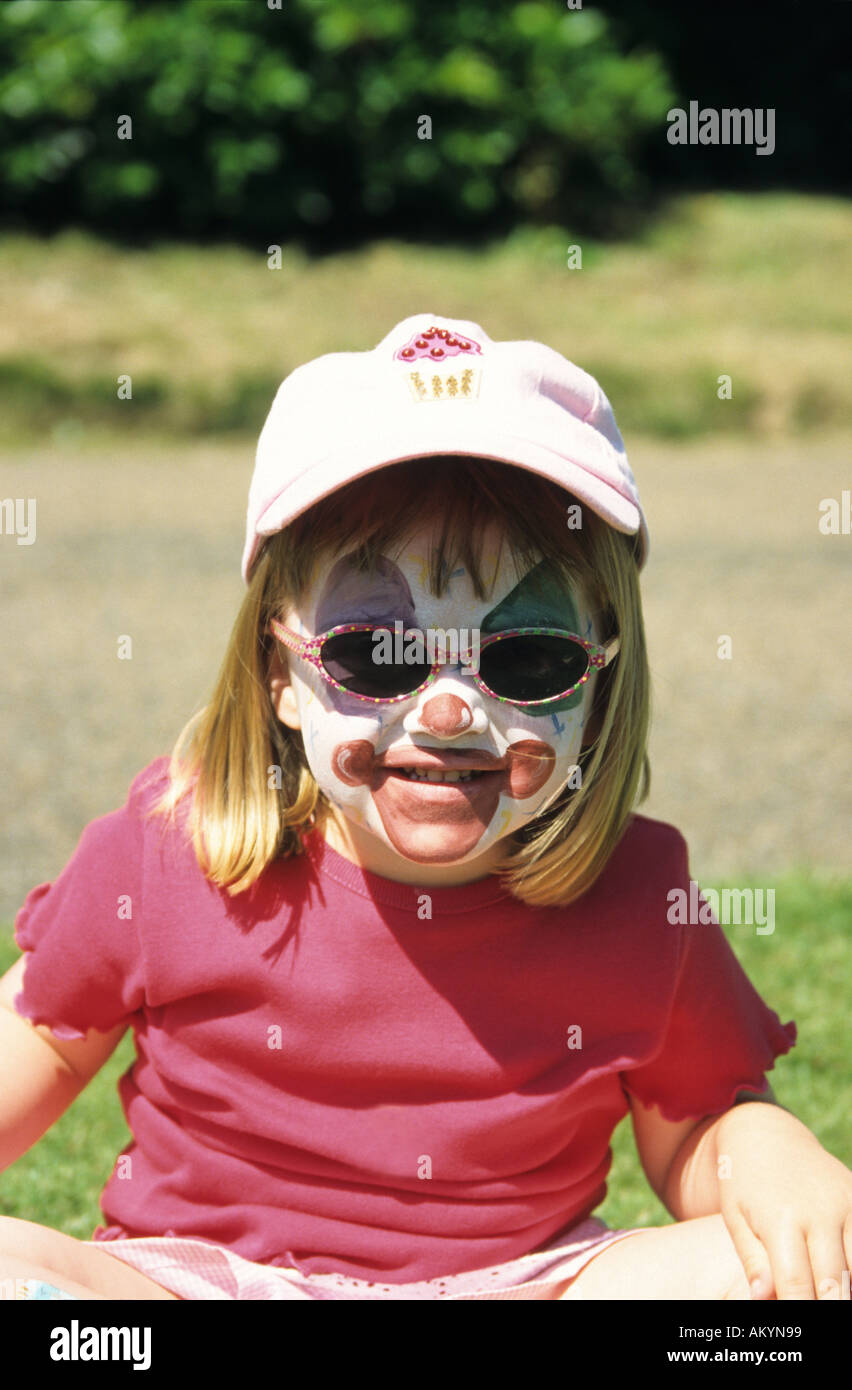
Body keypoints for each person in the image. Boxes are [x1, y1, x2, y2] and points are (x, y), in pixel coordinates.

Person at [1, 315, 850, 1302]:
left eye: (526, 659)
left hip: (526, 1287)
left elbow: (698, 1124)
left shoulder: (641, 899)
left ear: (600, 683)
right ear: (281, 674)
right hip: (197, 1291)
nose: (448, 713)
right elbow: (37, 1040)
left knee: (794, 1276)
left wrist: (764, 1146)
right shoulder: (170, 854)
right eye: (377, 651)